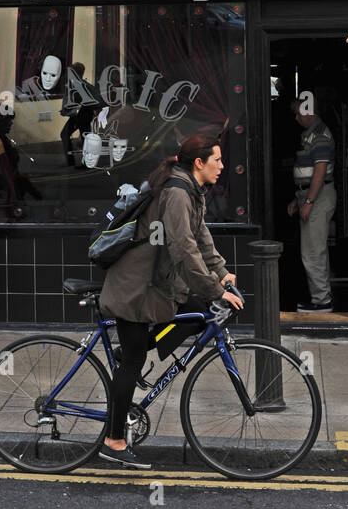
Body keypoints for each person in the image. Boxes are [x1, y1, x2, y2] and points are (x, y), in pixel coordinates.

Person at [98, 132, 243, 468]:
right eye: (217, 160)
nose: (222, 166)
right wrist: (215, 289)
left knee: (198, 314)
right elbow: (183, 249)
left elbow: (200, 236)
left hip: (153, 285)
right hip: (135, 288)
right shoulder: (178, 192)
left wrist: (221, 272)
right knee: (132, 364)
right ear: (199, 163)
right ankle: (114, 440)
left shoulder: (189, 188)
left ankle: (130, 350)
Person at [286, 94, 337, 314]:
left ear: (309, 112)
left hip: (318, 197)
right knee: (315, 249)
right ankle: (321, 297)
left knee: (313, 251)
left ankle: (321, 301)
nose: (296, 118)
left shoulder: (319, 136)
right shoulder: (310, 135)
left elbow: (319, 172)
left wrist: (308, 201)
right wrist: (299, 199)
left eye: (299, 113)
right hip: (313, 195)